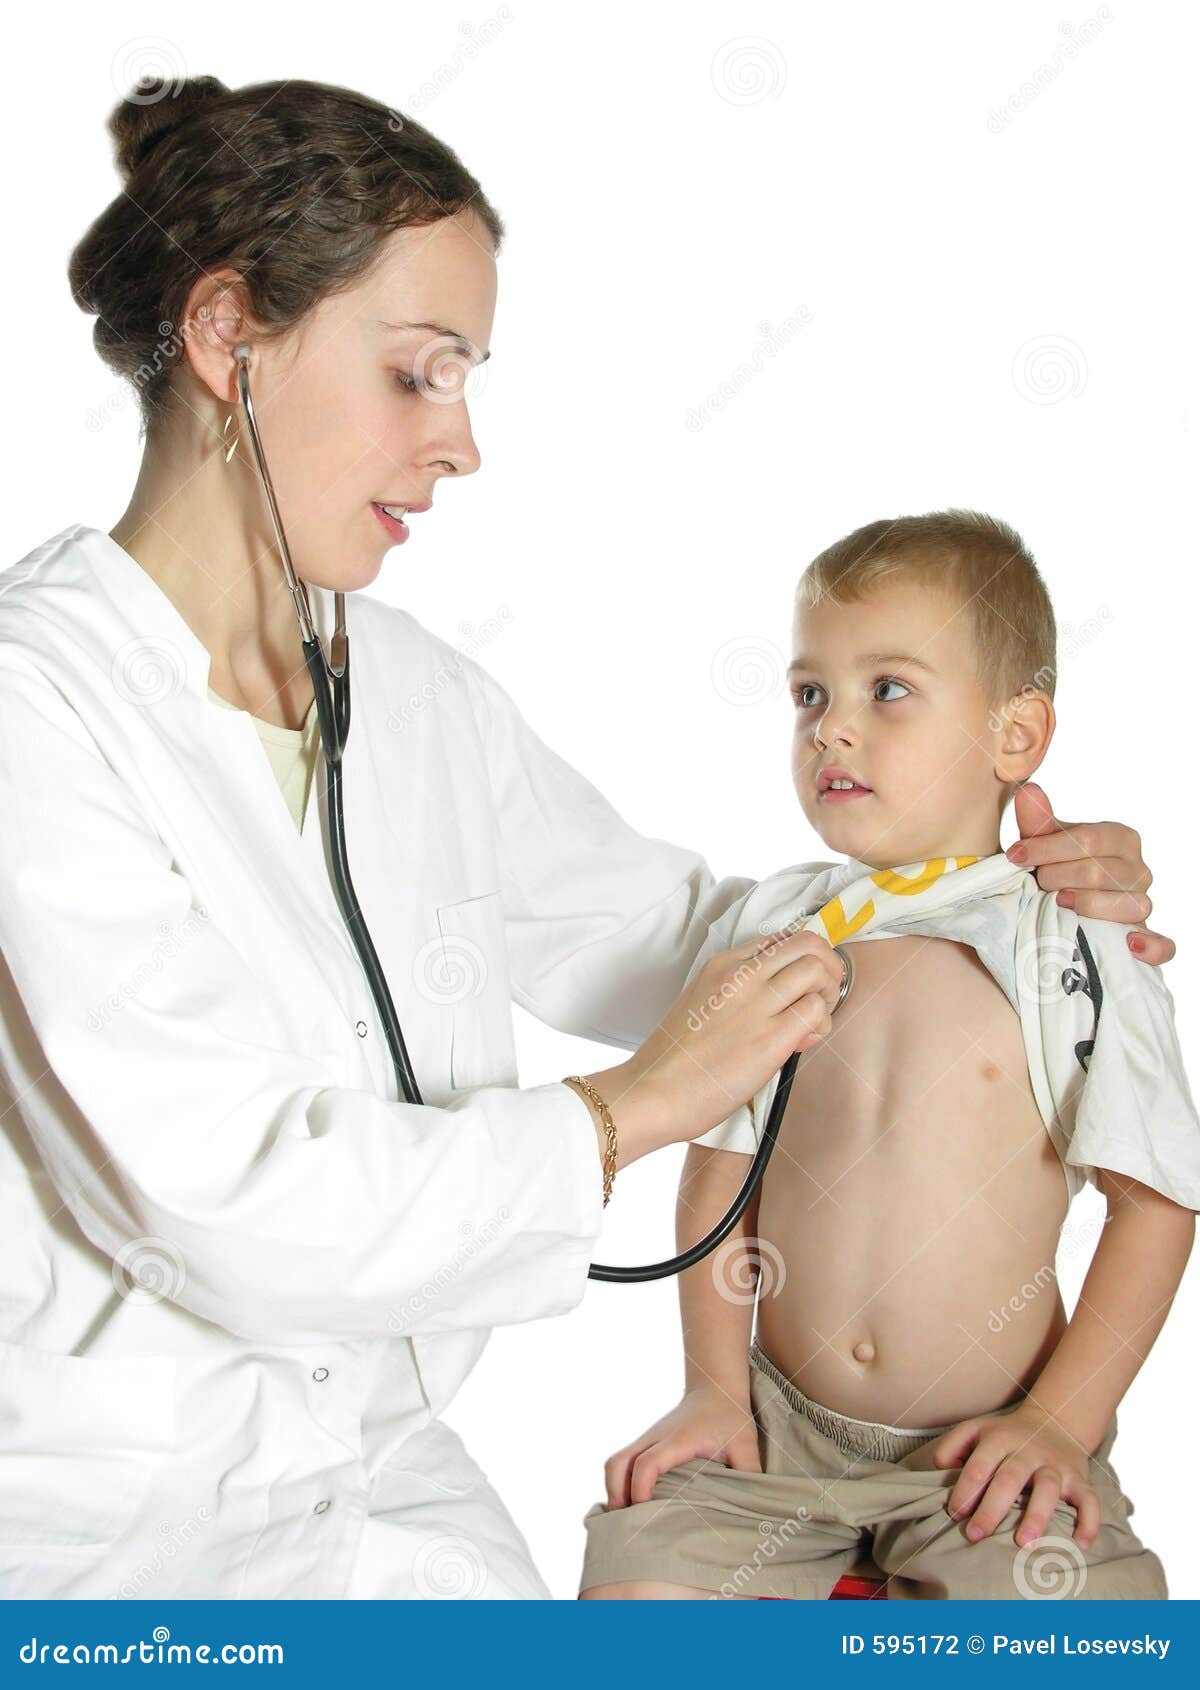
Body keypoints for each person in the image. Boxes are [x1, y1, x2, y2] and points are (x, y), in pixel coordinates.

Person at [0, 75, 1168, 1603]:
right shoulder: (40, 709)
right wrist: (629, 1110)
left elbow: (690, 939)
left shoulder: (411, 694)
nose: (465, 441)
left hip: (387, 1496)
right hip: (112, 1530)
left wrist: (980, 894)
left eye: (469, 376)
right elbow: (219, 1191)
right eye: (419, 374)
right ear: (229, 335)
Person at [577, 511, 1198, 1601]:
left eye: (888, 689)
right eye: (810, 694)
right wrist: (714, 1388)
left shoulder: (1077, 943)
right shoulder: (778, 928)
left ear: (1015, 735)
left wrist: (1059, 1420)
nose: (831, 731)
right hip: (778, 1438)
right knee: (641, 1583)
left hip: (980, 1451)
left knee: (1087, 1617)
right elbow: (721, 1170)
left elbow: (1156, 1202)